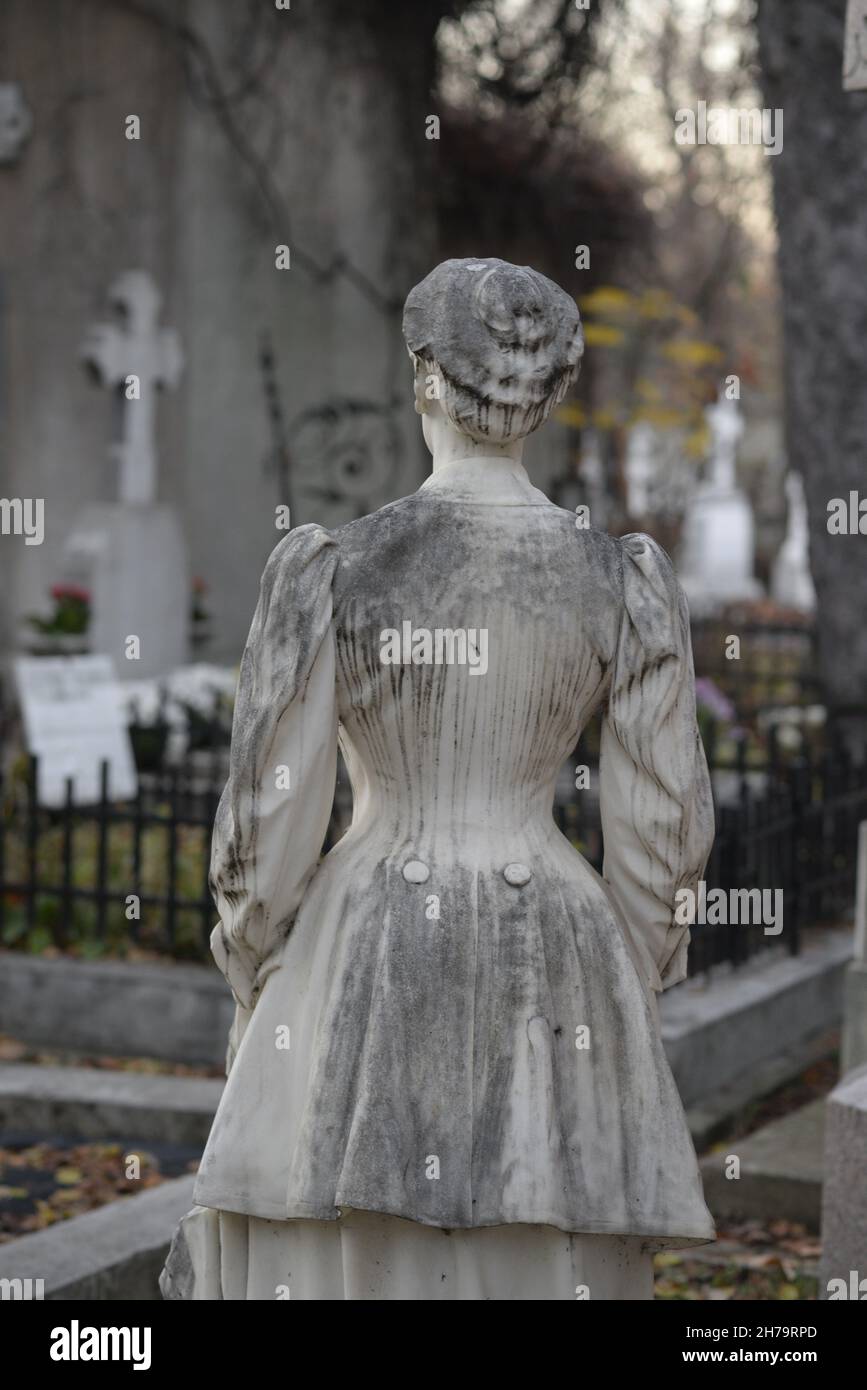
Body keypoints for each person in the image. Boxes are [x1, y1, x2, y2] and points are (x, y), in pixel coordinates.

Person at [161, 257, 715, 1301]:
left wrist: (255, 959)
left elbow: (268, 820)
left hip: (363, 931)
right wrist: (629, 972)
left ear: (426, 379)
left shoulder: (337, 564)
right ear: (546, 399)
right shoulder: (621, 577)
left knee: (350, 1248)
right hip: (555, 938)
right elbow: (665, 822)